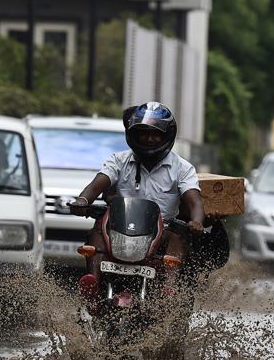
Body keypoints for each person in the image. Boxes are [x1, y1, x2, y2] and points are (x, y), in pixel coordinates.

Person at [69, 102, 205, 297]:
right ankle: (94, 282)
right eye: (144, 133)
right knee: (100, 223)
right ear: (133, 134)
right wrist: (82, 200)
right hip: (119, 231)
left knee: (178, 233)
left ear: (167, 135)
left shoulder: (182, 168)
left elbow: (194, 201)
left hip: (162, 233)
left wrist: (197, 221)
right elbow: (97, 184)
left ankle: (169, 288)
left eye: (156, 133)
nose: (150, 139)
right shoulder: (118, 160)